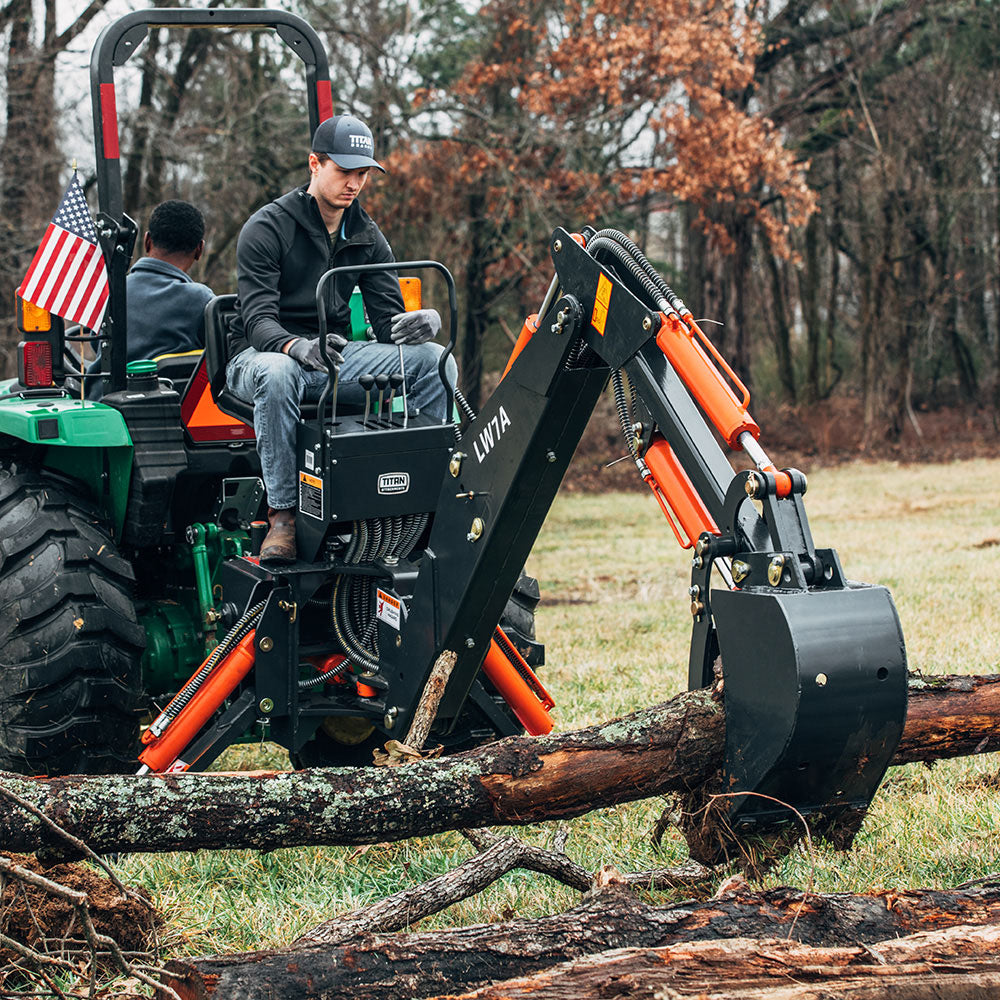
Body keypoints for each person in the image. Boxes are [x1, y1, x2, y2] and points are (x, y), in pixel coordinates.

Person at [226, 114, 457, 564]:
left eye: (363, 174)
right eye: (344, 171)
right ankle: (284, 516)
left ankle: (430, 497)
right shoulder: (268, 227)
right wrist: (297, 346)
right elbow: (256, 320)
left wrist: (421, 324)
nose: (354, 183)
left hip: (331, 359)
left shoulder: (366, 235)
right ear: (314, 164)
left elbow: (387, 320)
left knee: (434, 361)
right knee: (277, 372)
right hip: (261, 357)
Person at [87, 199, 213, 393]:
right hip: (172, 411)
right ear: (199, 250)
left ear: (147, 241)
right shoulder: (201, 300)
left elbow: (98, 346)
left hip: (104, 404)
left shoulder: (111, 292)